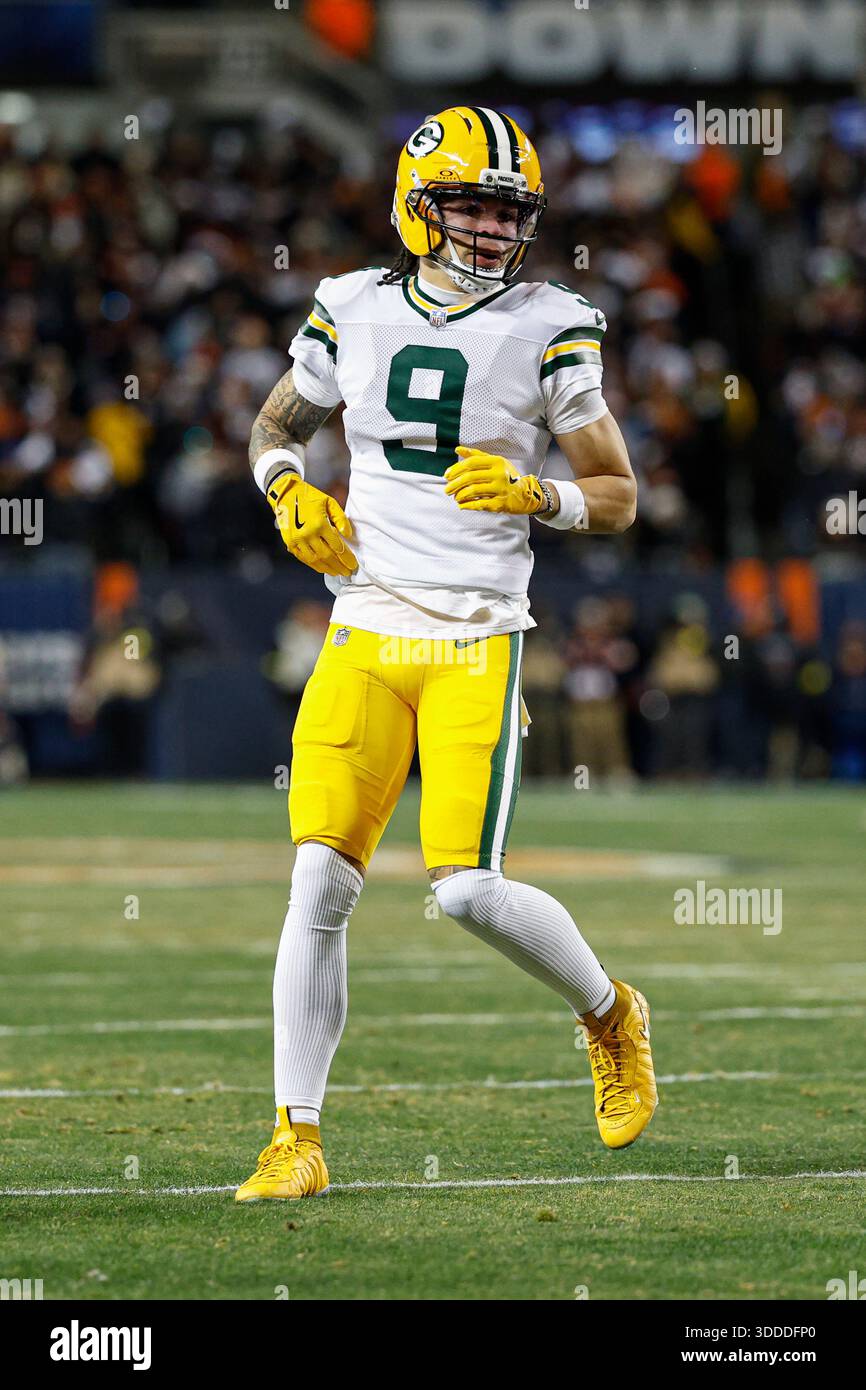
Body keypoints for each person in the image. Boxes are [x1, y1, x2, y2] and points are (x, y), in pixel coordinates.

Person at [236, 107, 657, 1201]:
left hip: (474, 634)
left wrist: (538, 492)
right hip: (363, 625)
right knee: (316, 878)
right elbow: (272, 427)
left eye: (508, 210)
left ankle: (609, 1014)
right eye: (469, 203)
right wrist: (284, 490)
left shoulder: (550, 321)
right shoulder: (352, 306)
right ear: (414, 206)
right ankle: (296, 1135)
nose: (488, 227)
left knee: (466, 890)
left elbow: (616, 495)